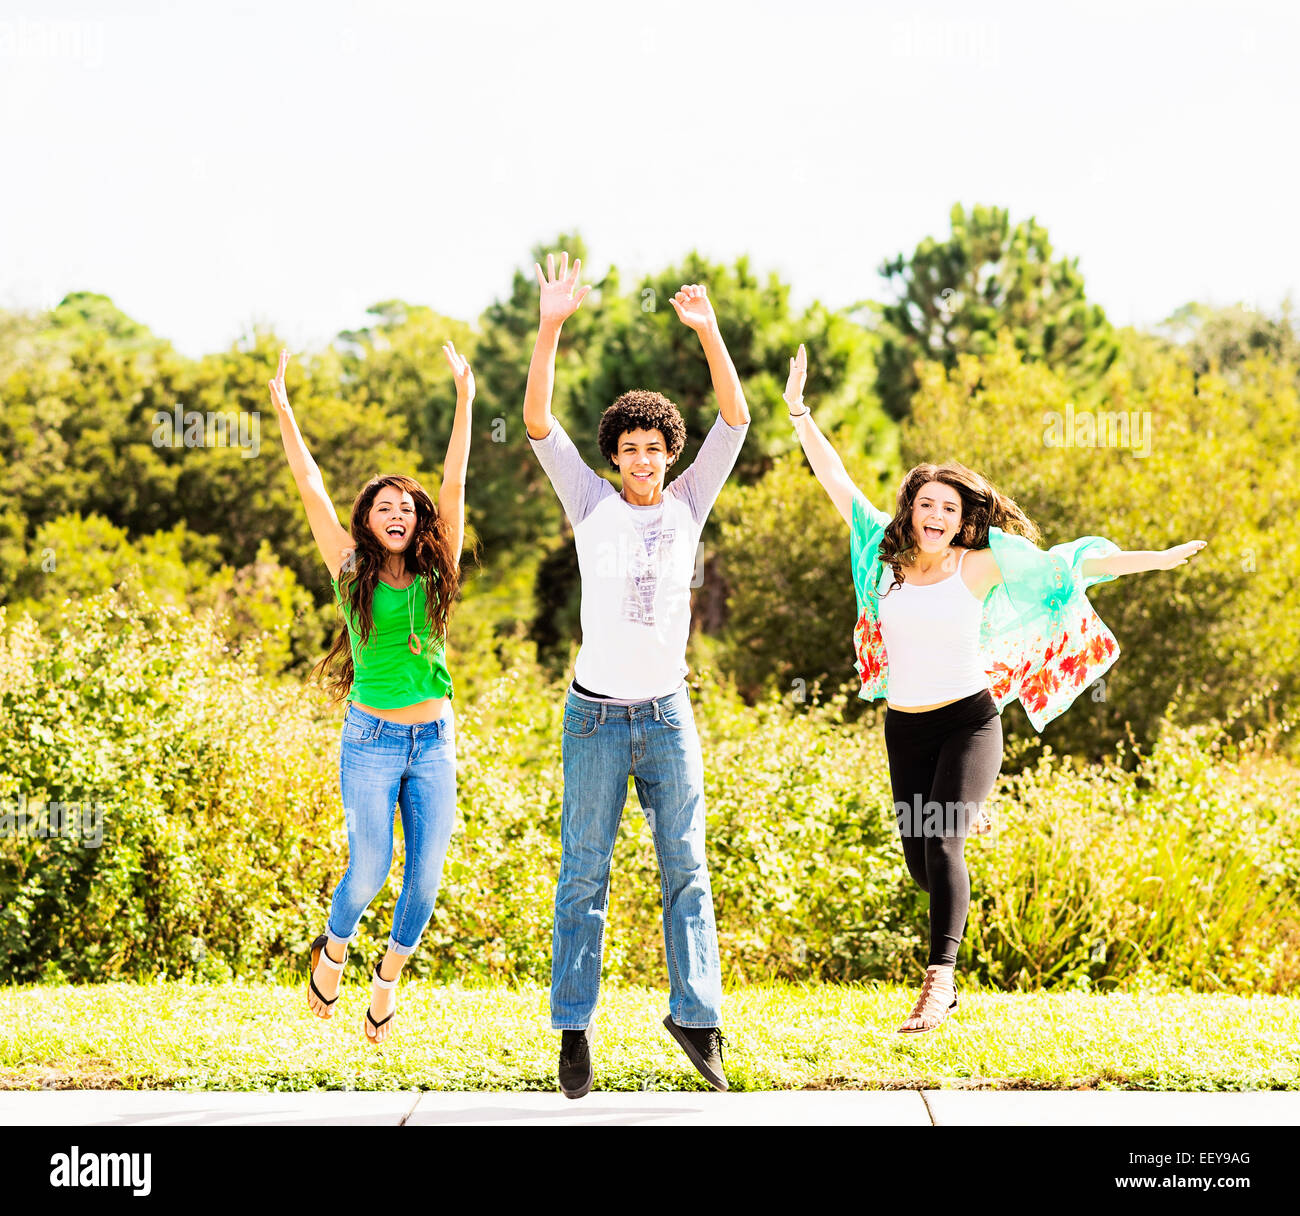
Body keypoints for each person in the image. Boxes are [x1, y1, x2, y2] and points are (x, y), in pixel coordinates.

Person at [783, 343, 1207, 1033]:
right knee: (922, 865)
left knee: (943, 842)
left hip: (969, 722)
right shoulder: (880, 556)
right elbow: (835, 475)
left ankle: (938, 984)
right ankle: (961, 846)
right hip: (904, 727)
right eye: (926, 503)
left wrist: (1154, 560)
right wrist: (799, 411)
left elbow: (1070, 566)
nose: (936, 515)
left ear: (963, 519)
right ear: (909, 511)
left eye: (948, 507)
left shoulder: (979, 565)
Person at [524, 252, 750, 1097]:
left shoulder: (690, 501)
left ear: (670, 454)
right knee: (583, 873)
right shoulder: (591, 503)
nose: (643, 460)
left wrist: (709, 331)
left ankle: (697, 1016)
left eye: (654, 448)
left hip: (665, 716)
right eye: (630, 449)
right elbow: (537, 420)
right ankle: (573, 1027)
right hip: (593, 719)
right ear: (614, 458)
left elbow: (736, 419)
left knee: (686, 865)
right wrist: (550, 326)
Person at [267, 341, 474, 1045]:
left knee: (425, 880)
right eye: (385, 506)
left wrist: (466, 400)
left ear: (418, 521)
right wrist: (285, 411)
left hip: (435, 740)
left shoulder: (438, 572)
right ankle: (333, 948)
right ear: (368, 518)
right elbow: (311, 484)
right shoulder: (351, 568)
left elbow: (454, 480)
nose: (397, 513)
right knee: (370, 870)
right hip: (371, 739)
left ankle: (385, 981)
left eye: (406, 508)